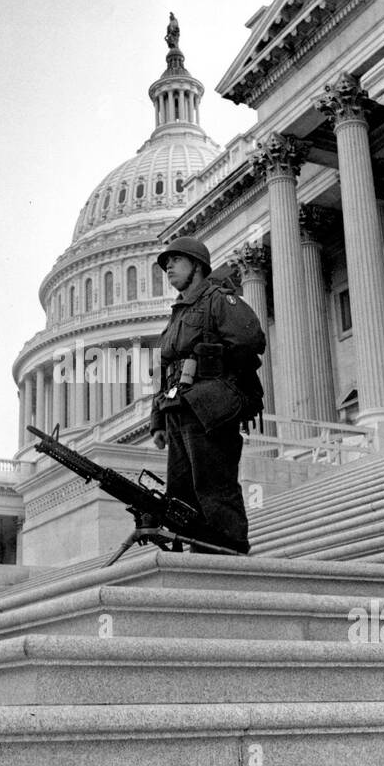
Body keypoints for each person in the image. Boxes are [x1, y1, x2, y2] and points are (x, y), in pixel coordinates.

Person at [150, 237, 266, 554]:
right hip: (177, 410)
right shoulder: (176, 317)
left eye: (176, 260)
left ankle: (227, 552)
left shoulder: (219, 301)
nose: (168, 267)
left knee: (214, 485)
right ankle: (196, 552)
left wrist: (219, 388)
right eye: (166, 263)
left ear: (198, 266)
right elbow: (163, 370)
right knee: (181, 492)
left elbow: (250, 341)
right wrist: (157, 420)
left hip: (208, 410)